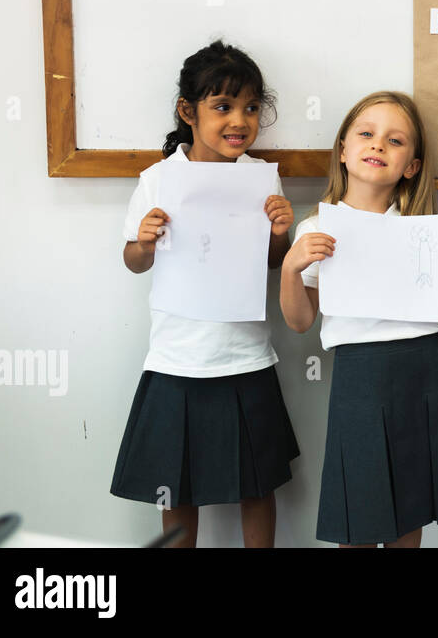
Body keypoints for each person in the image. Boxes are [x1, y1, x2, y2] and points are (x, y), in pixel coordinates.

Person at [280, 90, 438, 547]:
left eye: (395, 140)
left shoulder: (427, 231)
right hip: (360, 380)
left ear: (412, 166)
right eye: (366, 134)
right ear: (343, 149)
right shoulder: (316, 230)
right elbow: (301, 321)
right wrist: (290, 269)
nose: (378, 145)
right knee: (358, 514)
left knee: (410, 512)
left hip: (427, 373)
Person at [112, 40, 298, 548]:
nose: (240, 120)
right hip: (178, 359)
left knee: (256, 484)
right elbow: (133, 261)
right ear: (187, 111)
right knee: (176, 488)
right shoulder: (157, 180)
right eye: (223, 106)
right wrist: (144, 241)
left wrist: (281, 231)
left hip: (246, 356)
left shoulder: (262, 177)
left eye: (252, 107)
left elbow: (274, 260)